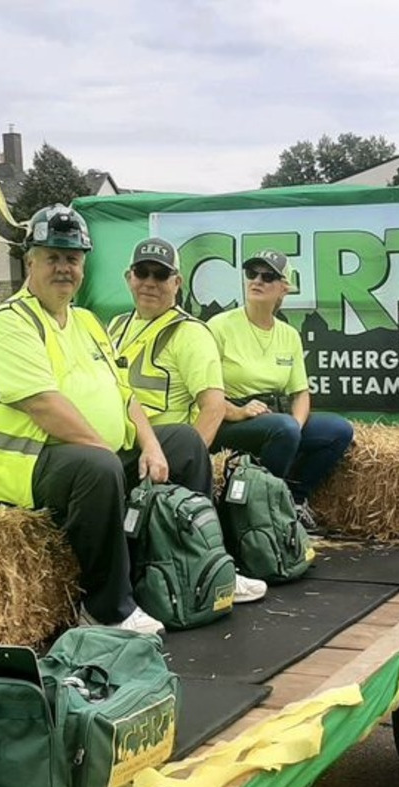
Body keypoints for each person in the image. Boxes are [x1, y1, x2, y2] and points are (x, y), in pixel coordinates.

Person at [0, 205, 211, 637]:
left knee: (185, 443)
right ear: (30, 261)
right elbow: (44, 406)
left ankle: (196, 566)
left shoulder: (87, 322)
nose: (64, 268)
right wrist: (109, 452)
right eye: (53, 257)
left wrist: (150, 445)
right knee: (100, 468)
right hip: (21, 470)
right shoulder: (9, 323)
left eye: (73, 259)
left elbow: (125, 394)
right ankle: (105, 607)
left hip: (89, 455)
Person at [108, 237, 266, 604]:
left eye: (161, 274)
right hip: (116, 444)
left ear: (176, 283)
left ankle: (211, 562)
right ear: (128, 277)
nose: (150, 282)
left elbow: (212, 408)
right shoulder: (114, 326)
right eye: (142, 272)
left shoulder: (191, 333)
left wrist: (184, 470)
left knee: (184, 439)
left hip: (162, 449)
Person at [207, 251, 354, 529]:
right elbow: (202, 391)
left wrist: (296, 427)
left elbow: (300, 393)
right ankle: (262, 510)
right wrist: (237, 411)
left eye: (268, 276)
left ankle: (294, 501)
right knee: (283, 429)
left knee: (339, 430)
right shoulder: (219, 326)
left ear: (284, 287)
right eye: (252, 274)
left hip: (276, 416)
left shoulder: (289, 334)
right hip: (229, 417)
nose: (257, 281)